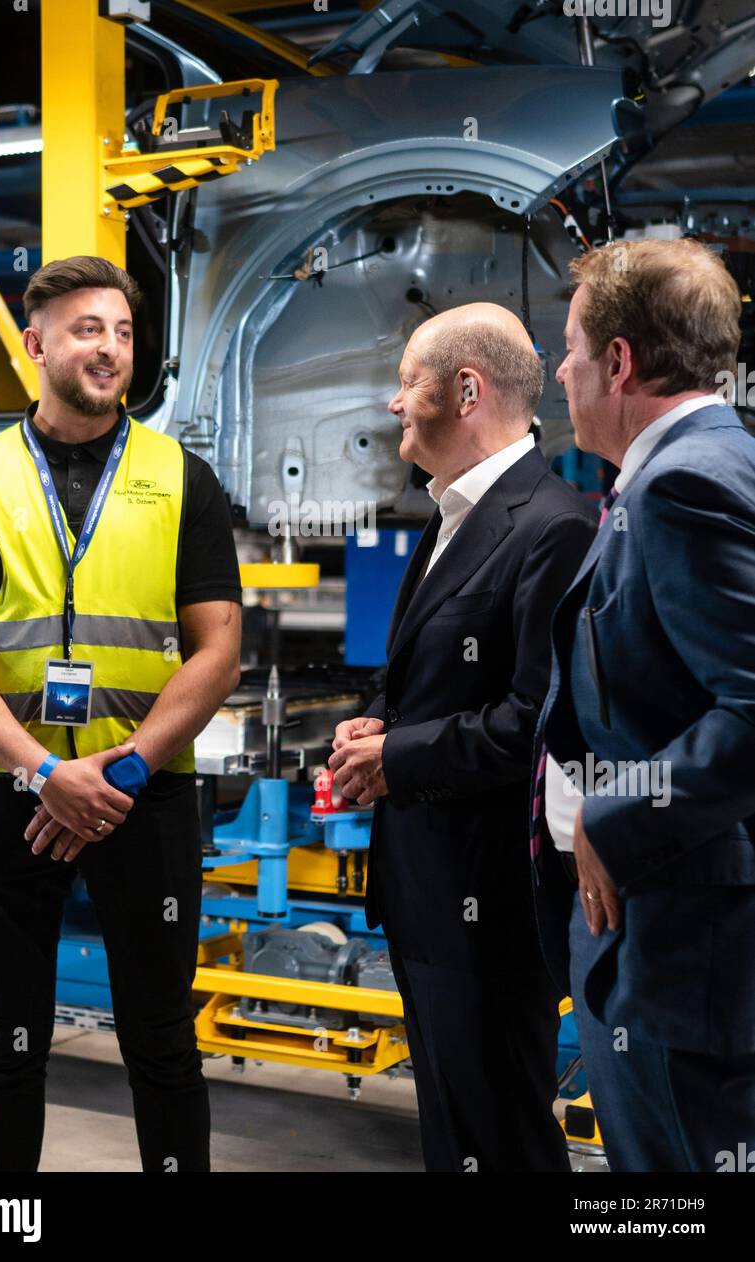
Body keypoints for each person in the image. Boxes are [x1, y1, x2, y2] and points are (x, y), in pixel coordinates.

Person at [0, 255, 242, 1173]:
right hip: (13, 800)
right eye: (87, 329)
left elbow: (218, 649)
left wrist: (121, 769)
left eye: (124, 332)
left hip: (144, 798)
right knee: (6, 1049)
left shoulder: (184, 479)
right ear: (36, 344)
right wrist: (44, 774)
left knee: (164, 1048)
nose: (109, 349)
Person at [329, 303, 596, 1172]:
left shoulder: (550, 525)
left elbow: (539, 722)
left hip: (488, 904)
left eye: (409, 381)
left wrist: (396, 756)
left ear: (465, 391)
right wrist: (380, 719)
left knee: (499, 1131)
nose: (396, 402)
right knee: (456, 1130)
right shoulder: (453, 513)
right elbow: (433, 673)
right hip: (429, 889)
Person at [533, 237, 755, 1171]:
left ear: (618, 363)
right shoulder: (716, 460)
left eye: (575, 348)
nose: (561, 368)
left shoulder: (682, 486)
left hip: (677, 938)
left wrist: (611, 819)